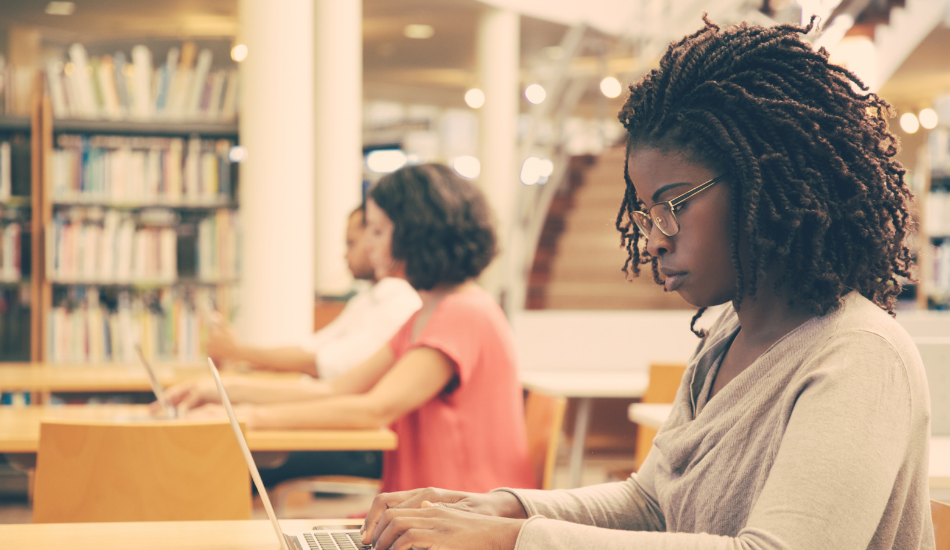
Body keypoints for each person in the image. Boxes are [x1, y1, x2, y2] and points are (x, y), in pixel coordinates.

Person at [358, 18, 934, 550]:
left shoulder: (860, 355)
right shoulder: (727, 334)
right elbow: (651, 502)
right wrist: (496, 508)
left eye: (671, 204)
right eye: (645, 213)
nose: (655, 238)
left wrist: (513, 541)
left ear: (769, 185)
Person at [165, 163, 536, 493]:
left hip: (463, 517)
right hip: (432, 511)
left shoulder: (463, 314)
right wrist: (226, 393)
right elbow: (338, 389)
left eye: (377, 231)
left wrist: (247, 417)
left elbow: (375, 409)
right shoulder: (429, 313)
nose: (369, 247)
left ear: (415, 234)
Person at [204, 205, 421, 379]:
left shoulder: (399, 301)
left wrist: (238, 353)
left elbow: (323, 364)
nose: (363, 249)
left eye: (351, 243)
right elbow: (310, 349)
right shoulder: (368, 299)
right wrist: (243, 359)